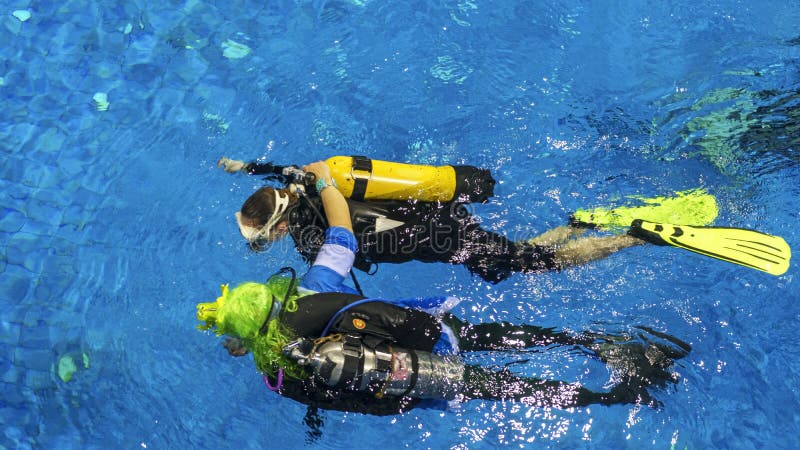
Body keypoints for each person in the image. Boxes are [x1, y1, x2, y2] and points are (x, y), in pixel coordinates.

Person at [198, 161, 691, 416]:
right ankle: (590, 236)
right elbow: (341, 231)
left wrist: (237, 338)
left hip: (422, 334)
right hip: (431, 232)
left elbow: (264, 330)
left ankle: (628, 243)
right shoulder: (312, 255)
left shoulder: (278, 357)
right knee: (515, 293)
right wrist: (315, 181)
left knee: (510, 375)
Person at [218, 156, 643, 283]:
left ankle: (633, 238)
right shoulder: (305, 182)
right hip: (427, 211)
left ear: (278, 227)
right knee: (521, 253)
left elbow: (332, 271)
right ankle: (579, 224)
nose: (265, 244)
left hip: (439, 239)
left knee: (533, 263)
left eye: (261, 239)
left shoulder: (310, 239)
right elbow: (283, 171)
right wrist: (247, 167)